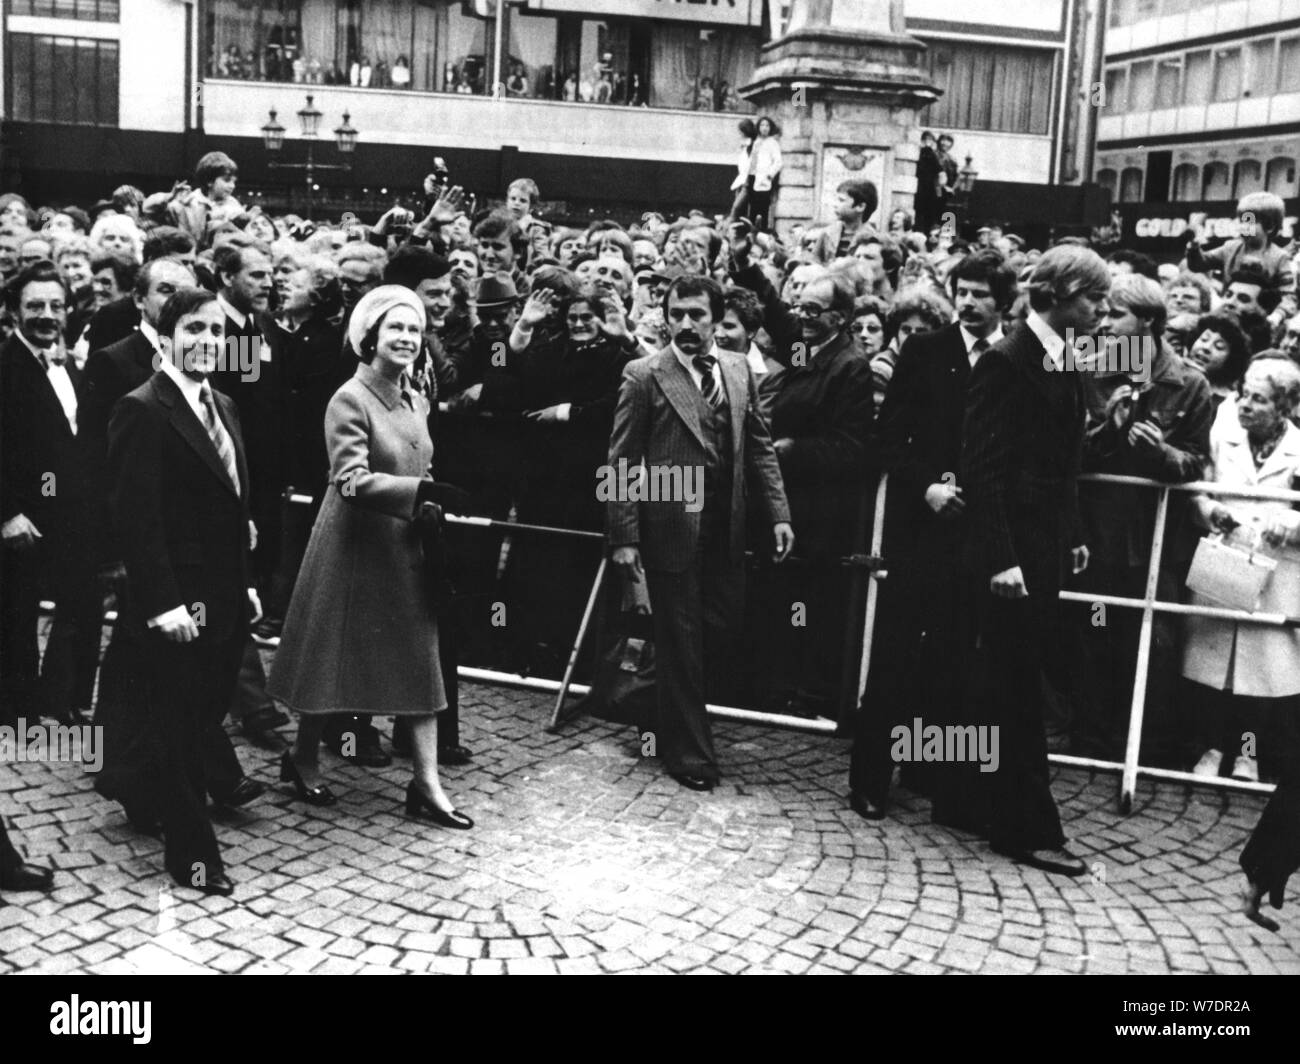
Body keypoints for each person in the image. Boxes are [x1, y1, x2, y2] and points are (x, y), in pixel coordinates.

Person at [268, 286, 472, 830]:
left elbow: (420, 463)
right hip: (353, 546)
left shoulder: (415, 398)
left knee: (419, 659)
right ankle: (304, 756)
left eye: (414, 329)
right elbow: (350, 480)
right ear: (370, 338)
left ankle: (426, 783)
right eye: (395, 329)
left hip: (405, 547)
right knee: (331, 660)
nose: (406, 338)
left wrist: (431, 499)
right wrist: (420, 495)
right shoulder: (350, 398)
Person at [108, 288, 268, 897]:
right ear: (167, 335)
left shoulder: (223, 404)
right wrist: (163, 603)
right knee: (181, 726)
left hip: (225, 600)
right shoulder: (143, 408)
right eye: (194, 329)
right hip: (176, 606)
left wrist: (247, 584)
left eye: (217, 332)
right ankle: (193, 855)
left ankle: (141, 793)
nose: (207, 340)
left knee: (199, 720)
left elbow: (234, 508)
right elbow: (136, 520)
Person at [607, 275, 794, 790]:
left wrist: (778, 513)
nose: (685, 325)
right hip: (669, 529)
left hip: (725, 528)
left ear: (716, 318)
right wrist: (623, 538)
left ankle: (644, 702)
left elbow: (759, 446)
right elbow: (621, 461)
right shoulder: (644, 375)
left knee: (718, 630)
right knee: (684, 641)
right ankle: (690, 755)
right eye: (676, 314)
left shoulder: (737, 370)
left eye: (697, 315)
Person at [959, 244, 1111, 876]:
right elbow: (984, 466)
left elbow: (1064, 459)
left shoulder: (1066, 358)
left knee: (1020, 678)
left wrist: (1071, 529)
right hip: (1013, 552)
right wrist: (1001, 556)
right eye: (1092, 298)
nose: (1102, 309)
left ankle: (983, 803)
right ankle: (1022, 825)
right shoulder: (1007, 360)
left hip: (1044, 545)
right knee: (1016, 686)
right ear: (1052, 295)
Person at [849, 250, 1015, 823]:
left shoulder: (1015, 358)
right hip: (922, 530)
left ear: (1003, 301)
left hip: (981, 533)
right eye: (961, 291)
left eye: (980, 294)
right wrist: (927, 488)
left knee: (950, 658)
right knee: (895, 651)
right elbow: (887, 439)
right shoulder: (923, 352)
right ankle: (869, 779)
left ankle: (928, 770)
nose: (968, 302)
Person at [1074, 273, 1213, 765]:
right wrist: (1104, 432)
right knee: (1094, 627)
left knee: (1153, 640)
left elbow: (1196, 463)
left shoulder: (1190, 383)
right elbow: (1068, 454)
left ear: (1148, 322)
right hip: (1098, 537)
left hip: (1155, 541)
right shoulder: (1090, 371)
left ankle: (1147, 745)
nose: (1104, 323)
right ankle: (1092, 737)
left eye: (1116, 315)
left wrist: (1162, 454)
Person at [1183, 358, 1300, 785]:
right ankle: (1211, 748)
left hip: (1275, 570)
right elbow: (1198, 489)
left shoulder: (1299, 448)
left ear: (1284, 407)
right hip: (1224, 560)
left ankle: (1247, 755)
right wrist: (1211, 511)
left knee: (1259, 673)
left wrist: (1287, 523)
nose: (1246, 405)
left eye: (1259, 399)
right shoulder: (1222, 432)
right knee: (1213, 664)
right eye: (1243, 394)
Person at [0, 262, 98, 727]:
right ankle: (15, 707)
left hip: (66, 511)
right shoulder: (5, 365)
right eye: (34, 305)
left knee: (75, 602)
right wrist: (8, 513)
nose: (46, 315)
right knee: (15, 610)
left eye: (55, 305)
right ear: (13, 310)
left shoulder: (69, 364)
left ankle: (57, 697)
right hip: (23, 515)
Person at [166, 152, 244, 249]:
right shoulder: (187, 202)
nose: (232, 186)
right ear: (209, 181)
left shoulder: (235, 205)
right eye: (227, 180)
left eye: (234, 181)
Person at [811, 179, 877, 265]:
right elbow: (814, 262)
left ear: (860, 206)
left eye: (841, 200)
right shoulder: (827, 233)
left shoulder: (872, 238)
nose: (835, 204)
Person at [746, 117, 782, 233]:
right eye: (762, 125)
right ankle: (751, 231)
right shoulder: (756, 142)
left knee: (762, 208)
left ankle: (762, 231)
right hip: (753, 177)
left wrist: (769, 175)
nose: (764, 128)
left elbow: (778, 162)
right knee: (752, 208)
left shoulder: (772, 143)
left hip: (764, 179)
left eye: (767, 126)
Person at [728, 119, 758, 223]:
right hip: (741, 180)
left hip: (748, 181)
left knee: (736, 208)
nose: (740, 134)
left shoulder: (753, 145)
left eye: (741, 131)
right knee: (738, 208)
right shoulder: (744, 147)